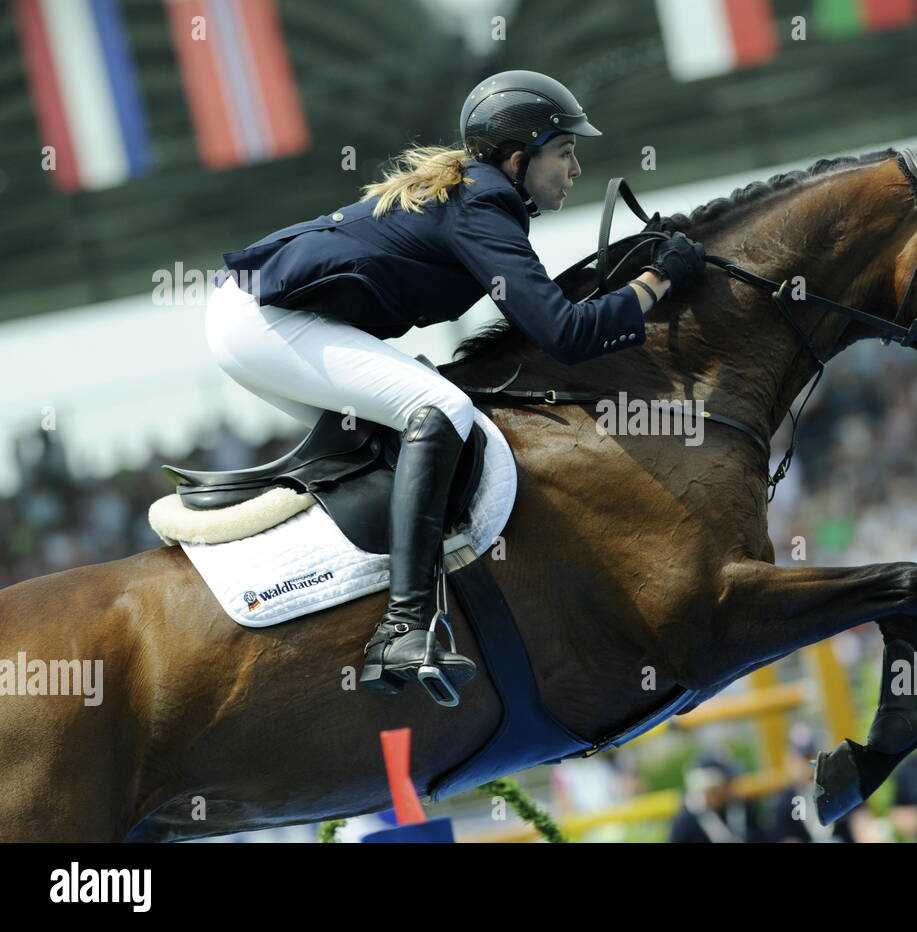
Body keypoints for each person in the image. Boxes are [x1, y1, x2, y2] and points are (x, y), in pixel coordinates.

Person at [203, 70, 707, 700]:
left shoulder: (479, 195)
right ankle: (403, 626)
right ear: (519, 157)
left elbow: (543, 319)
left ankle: (352, 597)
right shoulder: (484, 204)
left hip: (257, 316)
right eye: (565, 151)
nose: (576, 167)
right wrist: (658, 281)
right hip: (262, 319)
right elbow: (566, 334)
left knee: (407, 418)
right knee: (438, 405)